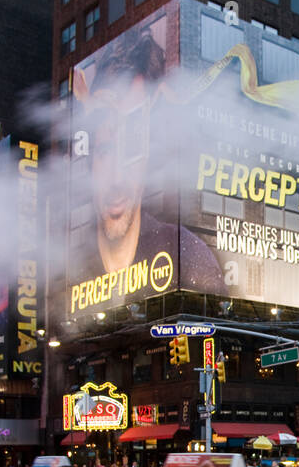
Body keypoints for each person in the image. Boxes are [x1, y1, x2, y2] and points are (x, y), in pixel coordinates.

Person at [73, 26, 226, 307]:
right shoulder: (70, 274)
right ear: (90, 155)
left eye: (131, 148)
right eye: (106, 150)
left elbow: (219, 335)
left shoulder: (189, 255)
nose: (117, 177)